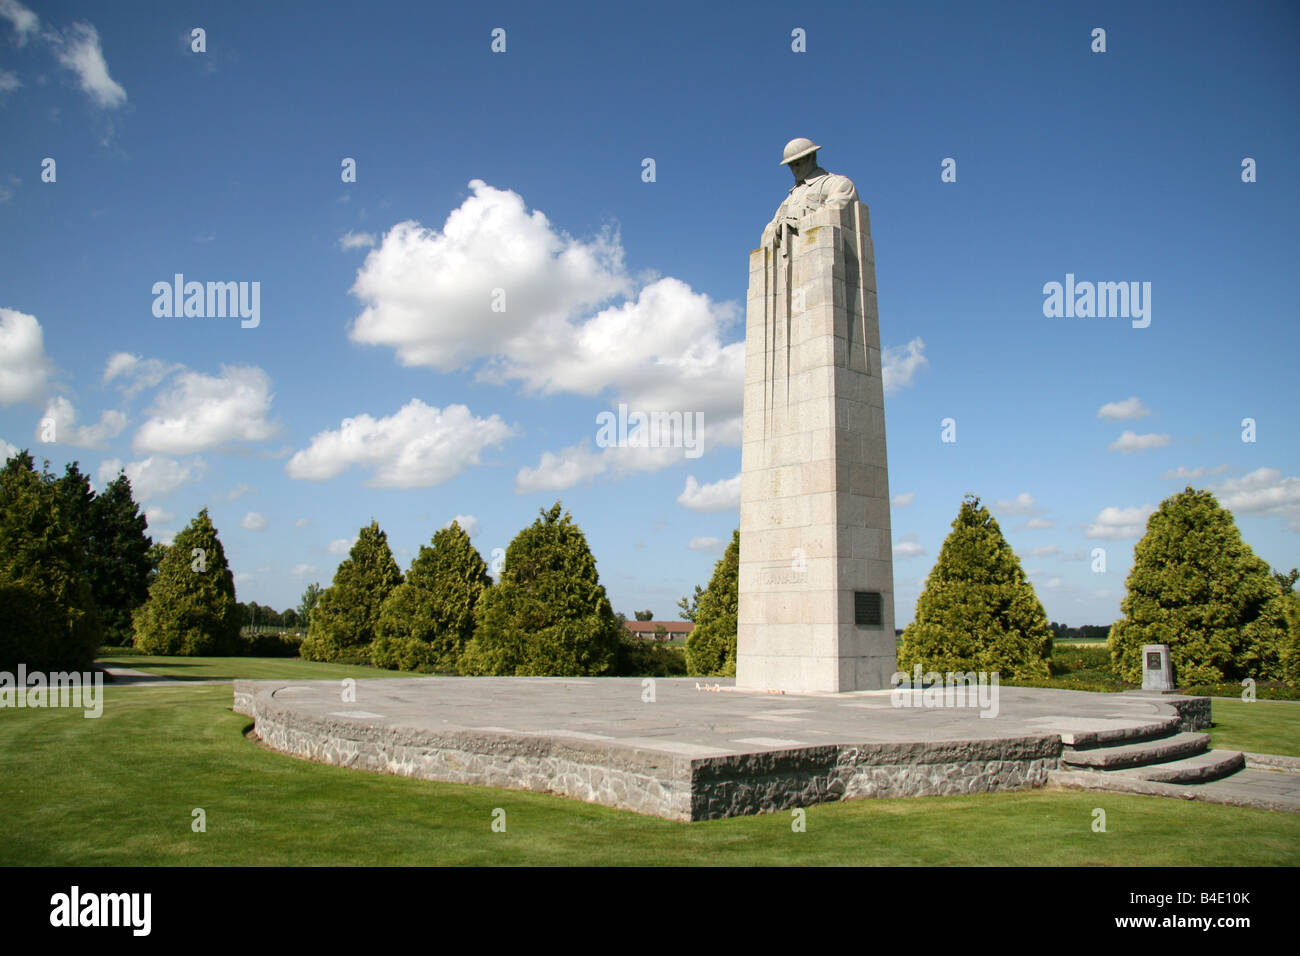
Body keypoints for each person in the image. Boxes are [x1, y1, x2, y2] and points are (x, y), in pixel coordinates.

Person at [762, 138, 859, 248]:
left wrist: (798, 224)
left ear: (812, 157)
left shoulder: (838, 183)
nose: (794, 169)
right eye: (791, 165)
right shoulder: (789, 199)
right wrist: (776, 231)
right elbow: (769, 230)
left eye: (797, 164)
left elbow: (833, 215)